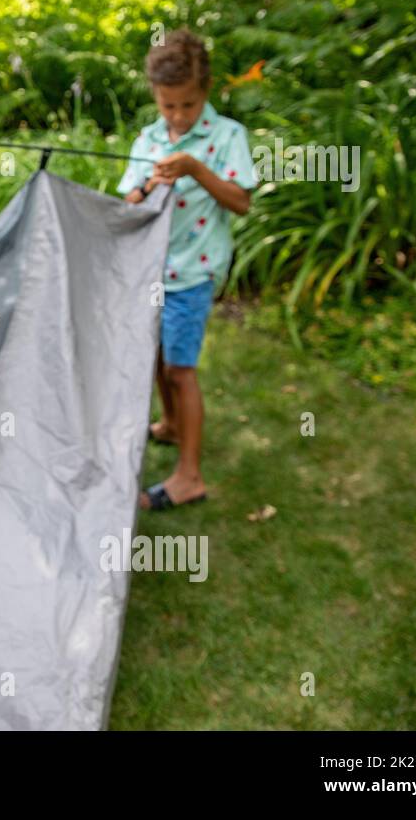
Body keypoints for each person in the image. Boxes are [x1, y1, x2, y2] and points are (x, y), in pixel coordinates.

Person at [119, 29, 257, 510]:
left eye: (187, 106)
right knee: (156, 360)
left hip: (193, 276)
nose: (177, 116)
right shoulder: (149, 139)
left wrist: (197, 169)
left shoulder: (227, 136)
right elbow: (128, 201)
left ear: (206, 91)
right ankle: (173, 426)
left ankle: (189, 476)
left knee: (180, 370)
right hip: (150, 273)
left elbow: (241, 201)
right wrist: (148, 186)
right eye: (168, 106)